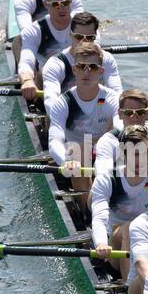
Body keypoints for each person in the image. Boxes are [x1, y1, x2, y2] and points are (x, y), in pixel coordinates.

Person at [44, 42, 118, 202]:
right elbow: (54, 142)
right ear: (74, 69)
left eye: (92, 67)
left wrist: (103, 146)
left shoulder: (112, 99)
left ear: (101, 71)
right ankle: (88, 209)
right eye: (82, 66)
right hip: (77, 156)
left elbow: (120, 127)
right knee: (79, 152)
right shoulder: (62, 103)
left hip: (105, 150)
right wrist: (65, 161)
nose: (87, 71)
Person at [90, 125, 148, 279]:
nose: (140, 160)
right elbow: (99, 218)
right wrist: (101, 243)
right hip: (116, 247)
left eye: (145, 153)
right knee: (131, 227)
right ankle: (129, 285)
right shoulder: (107, 180)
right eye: (135, 154)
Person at [93, 89, 148, 174]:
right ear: (120, 114)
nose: (135, 117)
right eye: (129, 112)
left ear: (147, 113)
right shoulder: (108, 141)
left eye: (140, 112)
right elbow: (103, 171)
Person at [18, 0, 76, 102]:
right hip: (46, 81)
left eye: (65, 3)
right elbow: (26, 61)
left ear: (71, 1)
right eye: (55, 4)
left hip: (79, 78)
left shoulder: (84, 29)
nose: (61, 8)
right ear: (46, 4)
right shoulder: (35, 30)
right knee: (46, 70)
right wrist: (27, 80)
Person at [41, 12, 121, 98]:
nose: (84, 42)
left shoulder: (106, 59)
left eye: (90, 37)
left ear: (95, 37)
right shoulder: (56, 64)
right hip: (68, 109)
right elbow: (51, 99)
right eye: (79, 37)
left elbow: (116, 92)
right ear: (70, 35)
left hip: (99, 105)